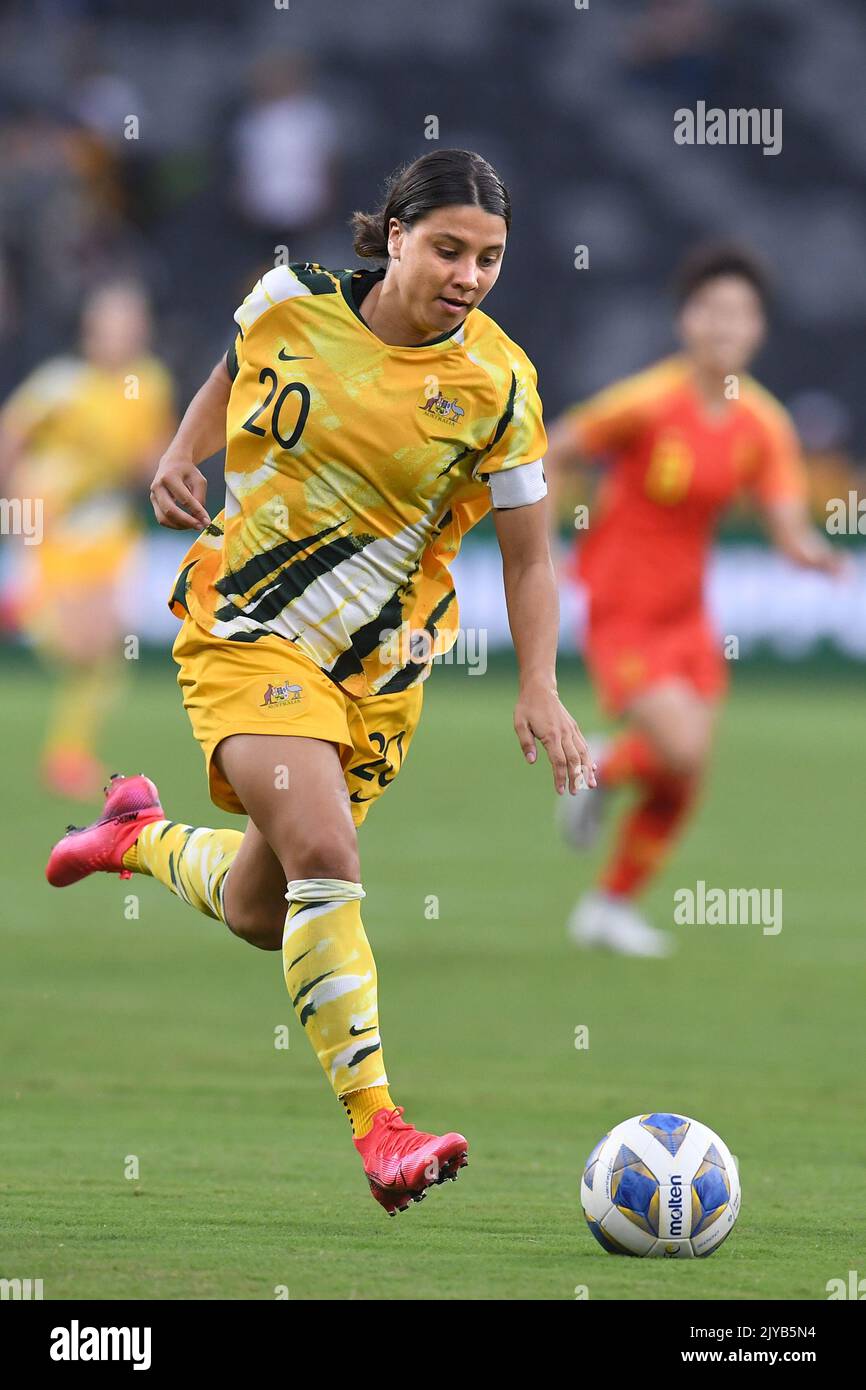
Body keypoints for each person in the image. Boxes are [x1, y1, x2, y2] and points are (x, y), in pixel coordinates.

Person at [46, 150, 595, 1215]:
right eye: (447, 248)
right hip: (245, 625)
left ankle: (135, 836)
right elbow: (232, 367)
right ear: (393, 236)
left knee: (263, 907)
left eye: (488, 257)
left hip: (378, 669)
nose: (468, 274)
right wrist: (182, 452)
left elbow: (527, 557)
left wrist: (540, 684)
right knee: (325, 853)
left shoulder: (500, 386)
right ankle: (381, 1129)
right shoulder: (288, 297)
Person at [546, 244, 841, 958]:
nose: (725, 326)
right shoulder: (648, 401)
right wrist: (546, 547)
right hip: (622, 604)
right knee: (676, 746)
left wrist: (814, 553)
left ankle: (608, 908)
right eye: (711, 311)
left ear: (758, 328)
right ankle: (599, 769)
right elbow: (558, 449)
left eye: (740, 313)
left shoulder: (763, 424)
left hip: (688, 614)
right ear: (686, 321)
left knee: (688, 769)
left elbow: (785, 521)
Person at [0, 281, 175, 798]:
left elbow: (155, 455)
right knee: (85, 648)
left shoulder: (149, 382)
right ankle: (28, 608)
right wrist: (17, 500)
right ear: (91, 331)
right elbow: (11, 436)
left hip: (107, 529)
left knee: (103, 651)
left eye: (131, 324)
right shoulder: (61, 384)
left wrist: (157, 467)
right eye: (112, 324)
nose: (122, 335)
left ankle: (68, 755)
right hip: (57, 525)